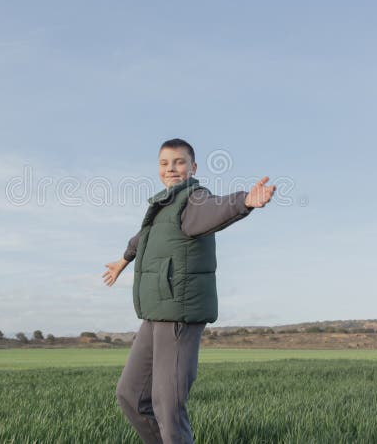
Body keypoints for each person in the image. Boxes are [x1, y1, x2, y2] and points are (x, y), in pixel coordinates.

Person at [103, 138, 275, 443]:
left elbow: (216, 210)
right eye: (165, 163)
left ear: (193, 167)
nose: (171, 169)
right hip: (156, 313)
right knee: (130, 395)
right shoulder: (163, 208)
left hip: (179, 314)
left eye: (179, 162)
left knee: (167, 406)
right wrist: (122, 261)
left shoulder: (193, 199)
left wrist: (245, 201)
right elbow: (141, 238)